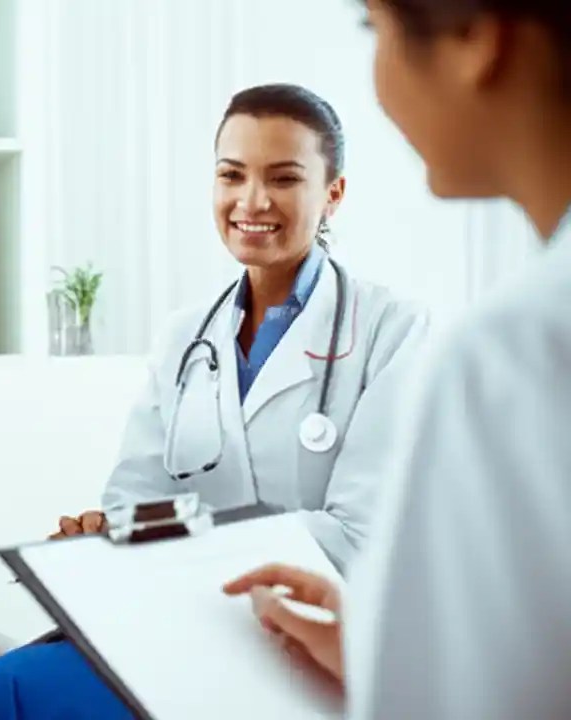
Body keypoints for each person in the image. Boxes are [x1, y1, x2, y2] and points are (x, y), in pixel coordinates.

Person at [0, 83, 431, 719]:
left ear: (332, 194)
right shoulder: (186, 335)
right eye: (232, 175)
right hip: (183, 621)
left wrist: (188, 539)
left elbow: (357, 535)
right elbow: (134, 495)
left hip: (313, 637)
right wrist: (107, 531)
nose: (252, 201)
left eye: (283, 179)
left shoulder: (391, 331)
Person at [226, 1, 571, 717]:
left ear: (476, 38)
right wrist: (379, 649)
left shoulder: (515, 352)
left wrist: (403, 670)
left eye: (373, 30)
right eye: (232, 174)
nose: (253, 200)